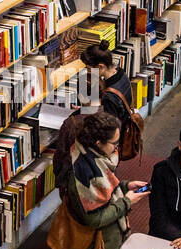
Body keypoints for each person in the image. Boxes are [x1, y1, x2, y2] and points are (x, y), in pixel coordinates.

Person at [60, 112, 147, 249]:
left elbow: (105, 189)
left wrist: (125, 186)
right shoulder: (82, 173)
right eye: (114, 144)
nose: (117, 149)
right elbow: (94, 219)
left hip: (111, 240)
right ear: (99, 142)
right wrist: (126, 202)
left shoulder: (96, 157)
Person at [52, 44, 137, 188]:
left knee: (104, 179)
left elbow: (105, 126)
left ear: (101, 66)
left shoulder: (109, 96)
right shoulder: (121, 74)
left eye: (89, 67)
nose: (87, 70)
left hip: (108, 146)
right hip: (120, 134)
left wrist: (83, 113)